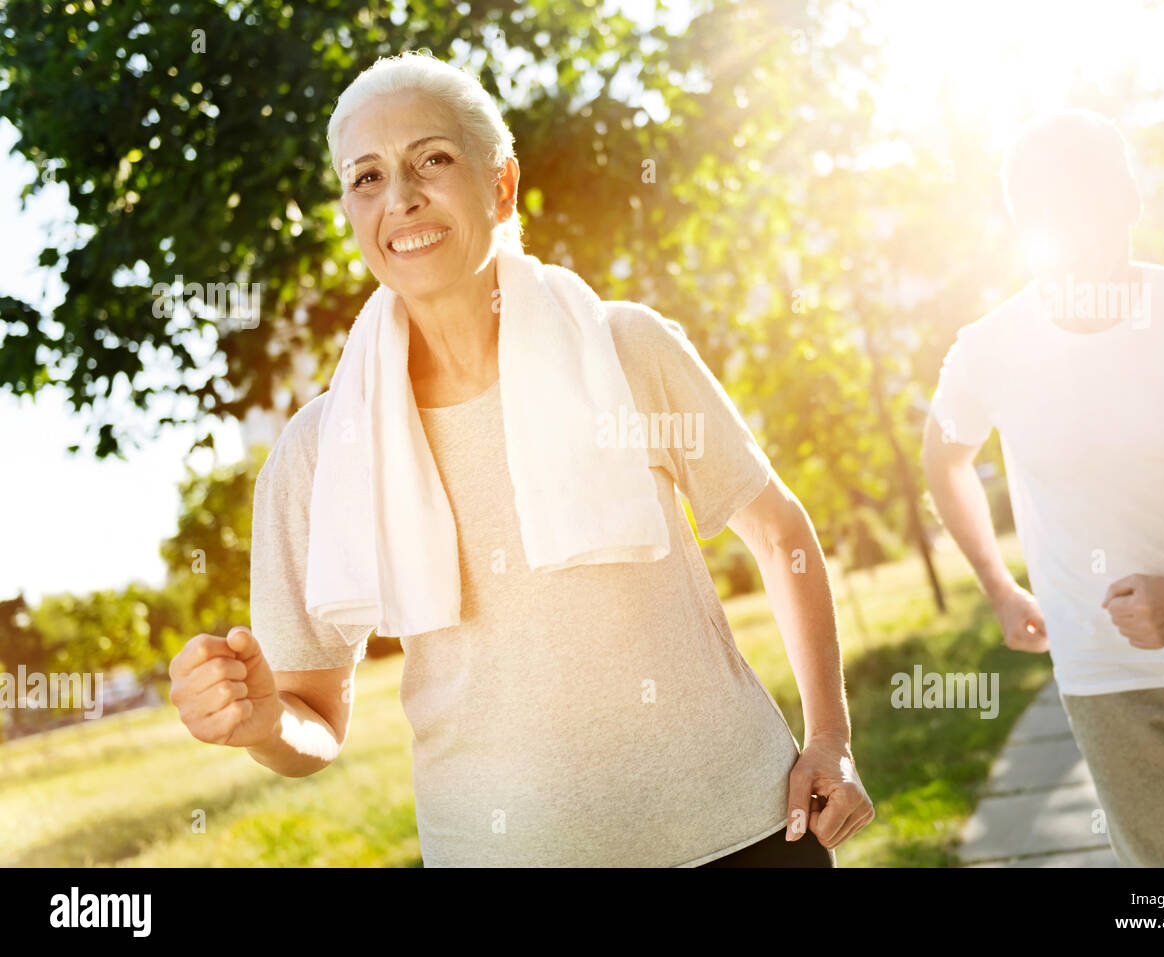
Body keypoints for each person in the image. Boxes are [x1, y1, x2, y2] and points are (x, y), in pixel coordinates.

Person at [167, 51, 872, 867]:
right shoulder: (319, 452)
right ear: (351, 212)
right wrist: (262, 724)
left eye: (432, 159)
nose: (400, 197)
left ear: (501, 185)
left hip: (742, 834)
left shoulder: (625, 349)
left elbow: (778, 529)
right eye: (366, 177)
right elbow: (312, 715)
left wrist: (831, 737)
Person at [922, 108, 1164, 867]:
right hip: (1107, 678)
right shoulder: (989, 349)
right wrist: (1000, 588)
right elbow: (944, 458)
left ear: (1130, 199)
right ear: (1022, 223)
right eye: (1051, 212)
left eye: (1092, 202)